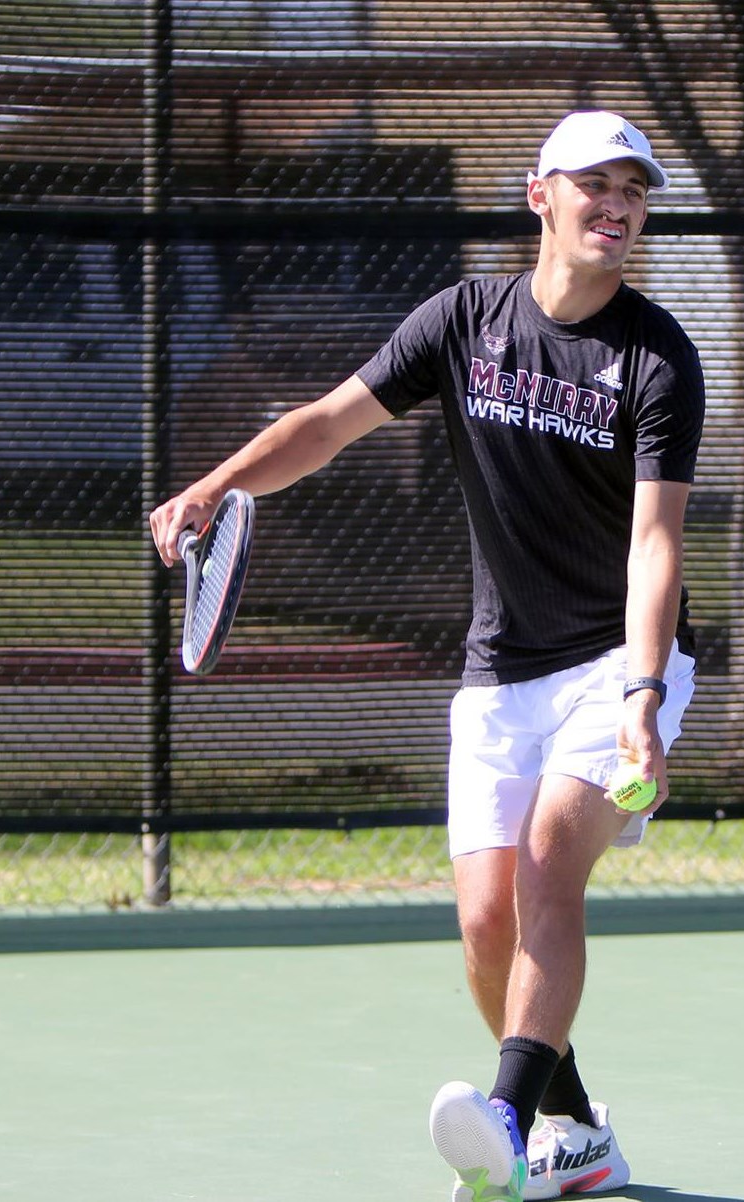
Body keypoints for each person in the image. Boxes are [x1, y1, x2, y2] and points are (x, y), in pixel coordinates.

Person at [147, 110, 704, 1202]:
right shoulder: (463, 320)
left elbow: (656, 541)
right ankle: (576, 1130)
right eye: (596, 184)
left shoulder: (657, 356)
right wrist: (219, 482)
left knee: (551, 859)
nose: (620, 205)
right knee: (489, 926)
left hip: (615, 662)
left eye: (635, 189)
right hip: (501, 668)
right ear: (538, 195)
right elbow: (325, 423)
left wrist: (643, 694)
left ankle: (501, 1122)